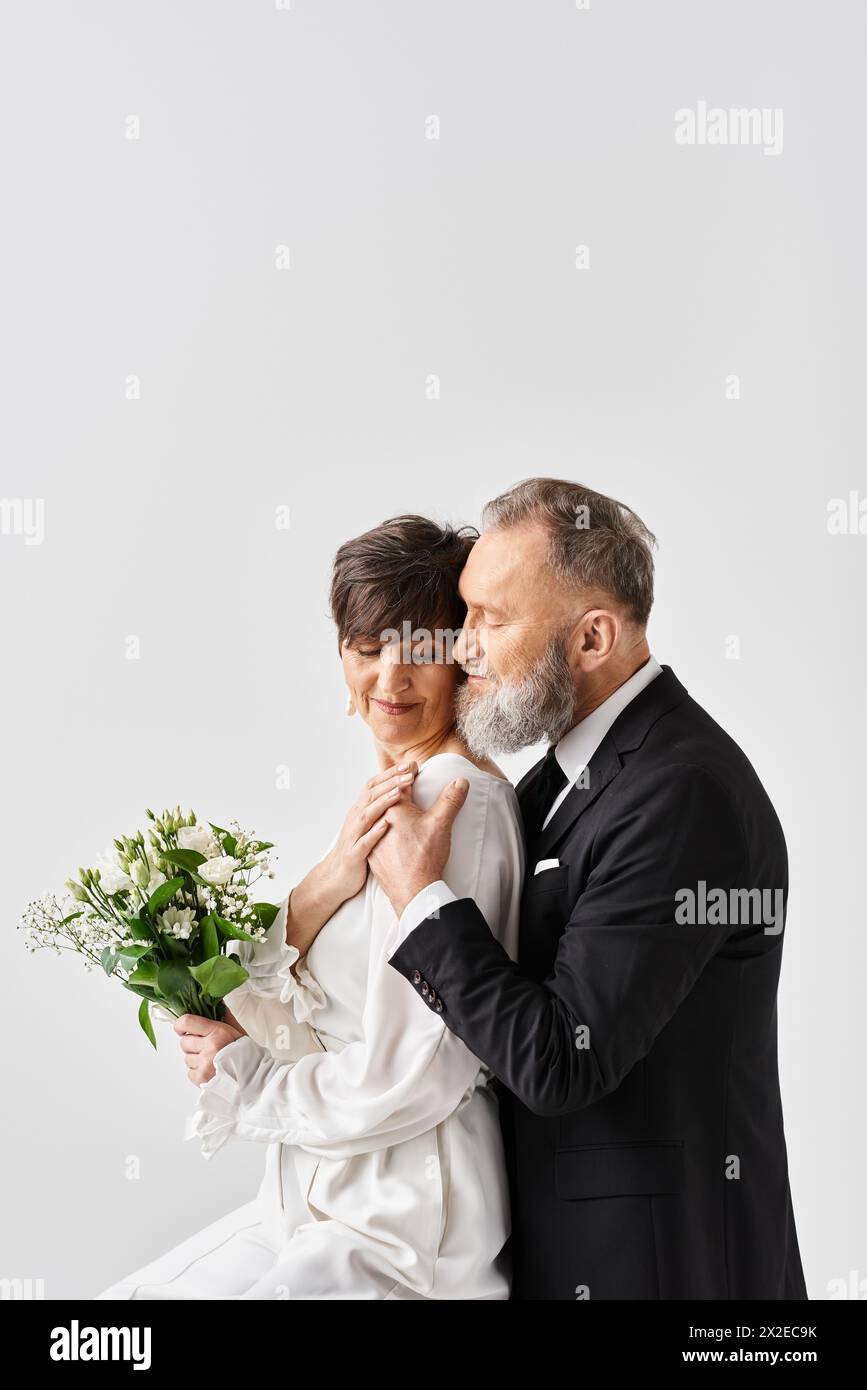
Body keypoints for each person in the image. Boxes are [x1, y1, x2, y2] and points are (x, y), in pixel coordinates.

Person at [370, 477, 808, 1301]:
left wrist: (424, 901)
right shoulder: (555, 778)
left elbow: (561, 1060)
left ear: (593, 636)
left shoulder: (682, 791)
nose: (460, 649)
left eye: (491, 621)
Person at [94, 515, 525, 1300]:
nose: (389, 683)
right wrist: (323, 880)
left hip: (398, 1232)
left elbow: (418, 1070)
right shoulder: (382, 803)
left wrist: (249, 1082)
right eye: (366, 650)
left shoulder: (448, 802)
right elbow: (309, 1019)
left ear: (464, 661)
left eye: (420, 653)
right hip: (308, 1202)